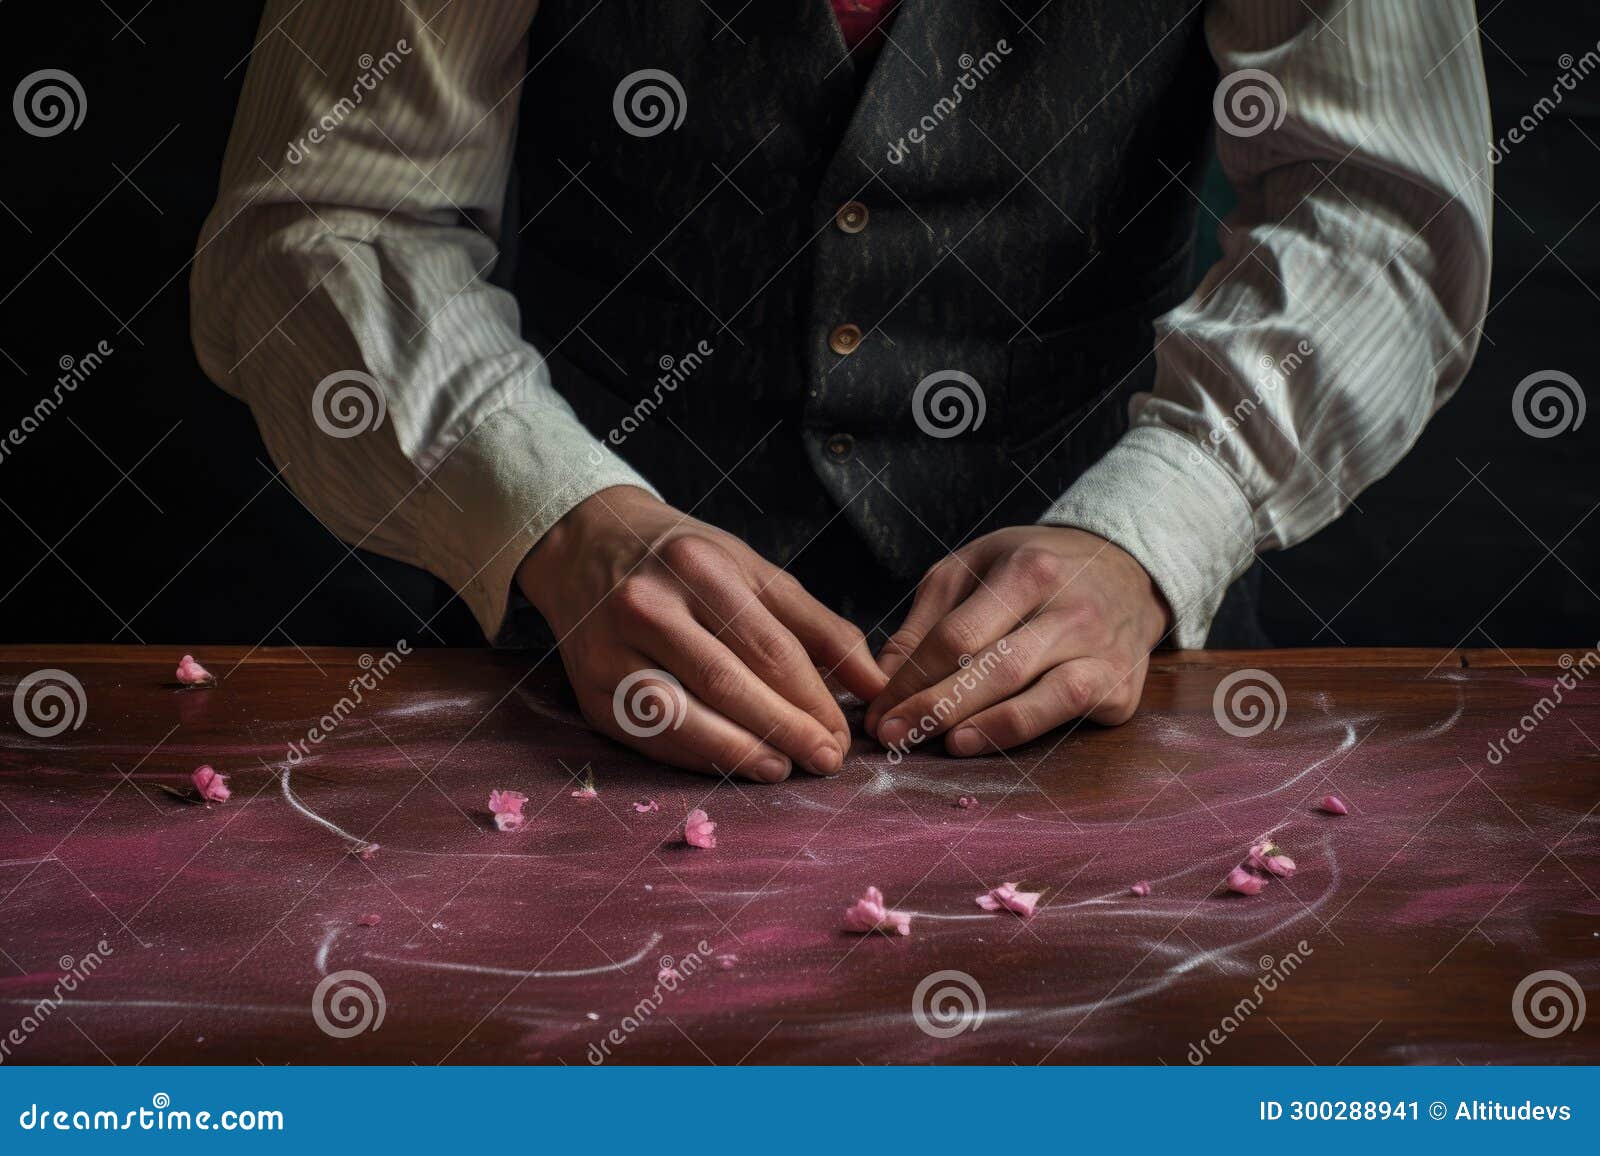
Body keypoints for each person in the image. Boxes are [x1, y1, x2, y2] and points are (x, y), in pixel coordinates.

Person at [192, 1, 1491, 781]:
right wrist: (561, 518)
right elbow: (336, 212)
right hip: (579, 666)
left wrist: (1155, 526)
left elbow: (1376, 208)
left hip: (1118, 679)